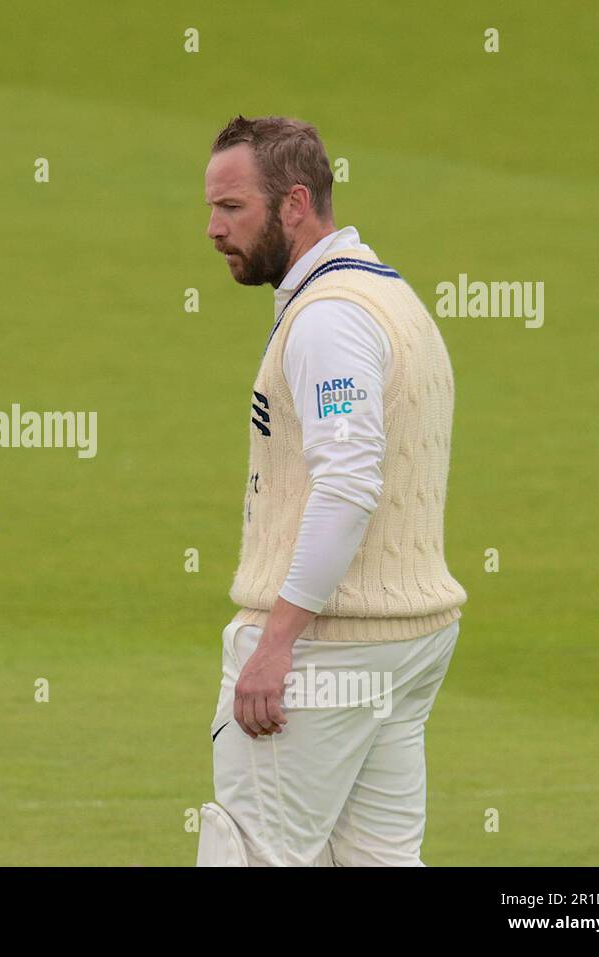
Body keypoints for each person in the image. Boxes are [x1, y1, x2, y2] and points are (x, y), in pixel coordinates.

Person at [199, 116, 466, 866]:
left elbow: (347, 484)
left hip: (331, 646)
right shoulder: (390, 298)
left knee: (251, 855)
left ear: (293, 203)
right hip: (408, 639)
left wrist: (277, 642)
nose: (214, 229)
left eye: (232, 209)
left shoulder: (330, 321)